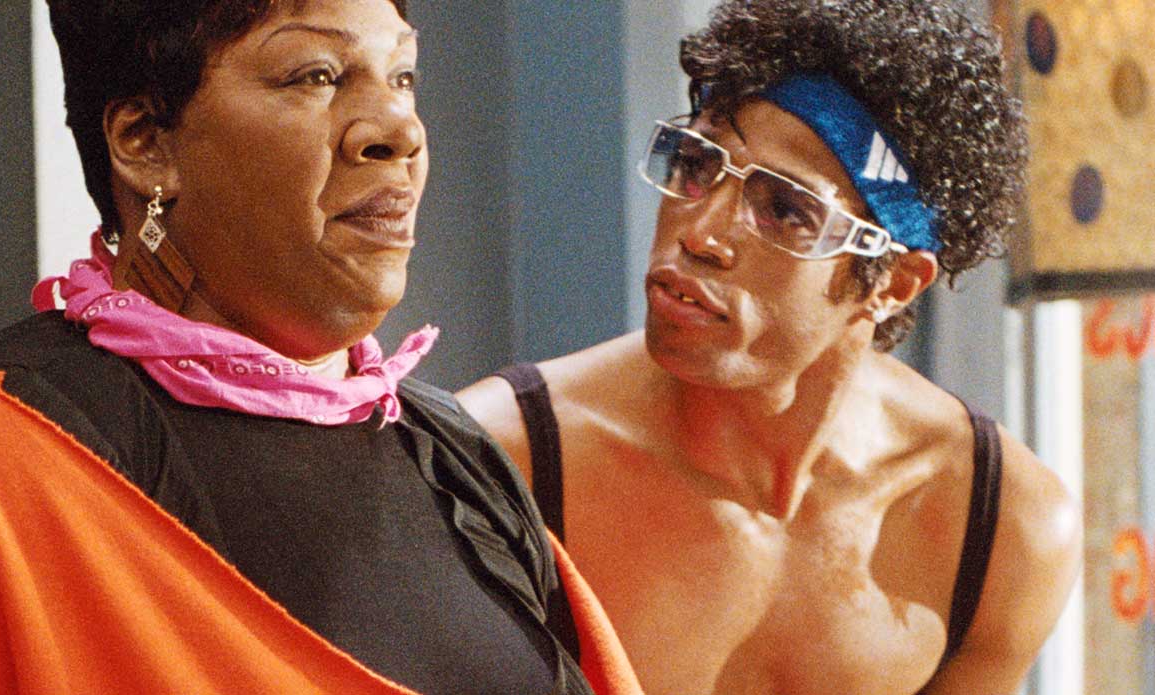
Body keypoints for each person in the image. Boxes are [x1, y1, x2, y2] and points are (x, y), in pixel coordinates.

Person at [0, 1, 642, 694]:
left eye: (402, 76)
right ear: (145, 141)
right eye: (315, 75)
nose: (398, 129)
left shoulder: (449, 450)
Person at [458, 1, 1081, 693]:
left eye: (785, 210)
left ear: (895, 282)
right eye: (697, 164)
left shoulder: (1002, 529)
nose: (700, 233)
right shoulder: (497, 460)